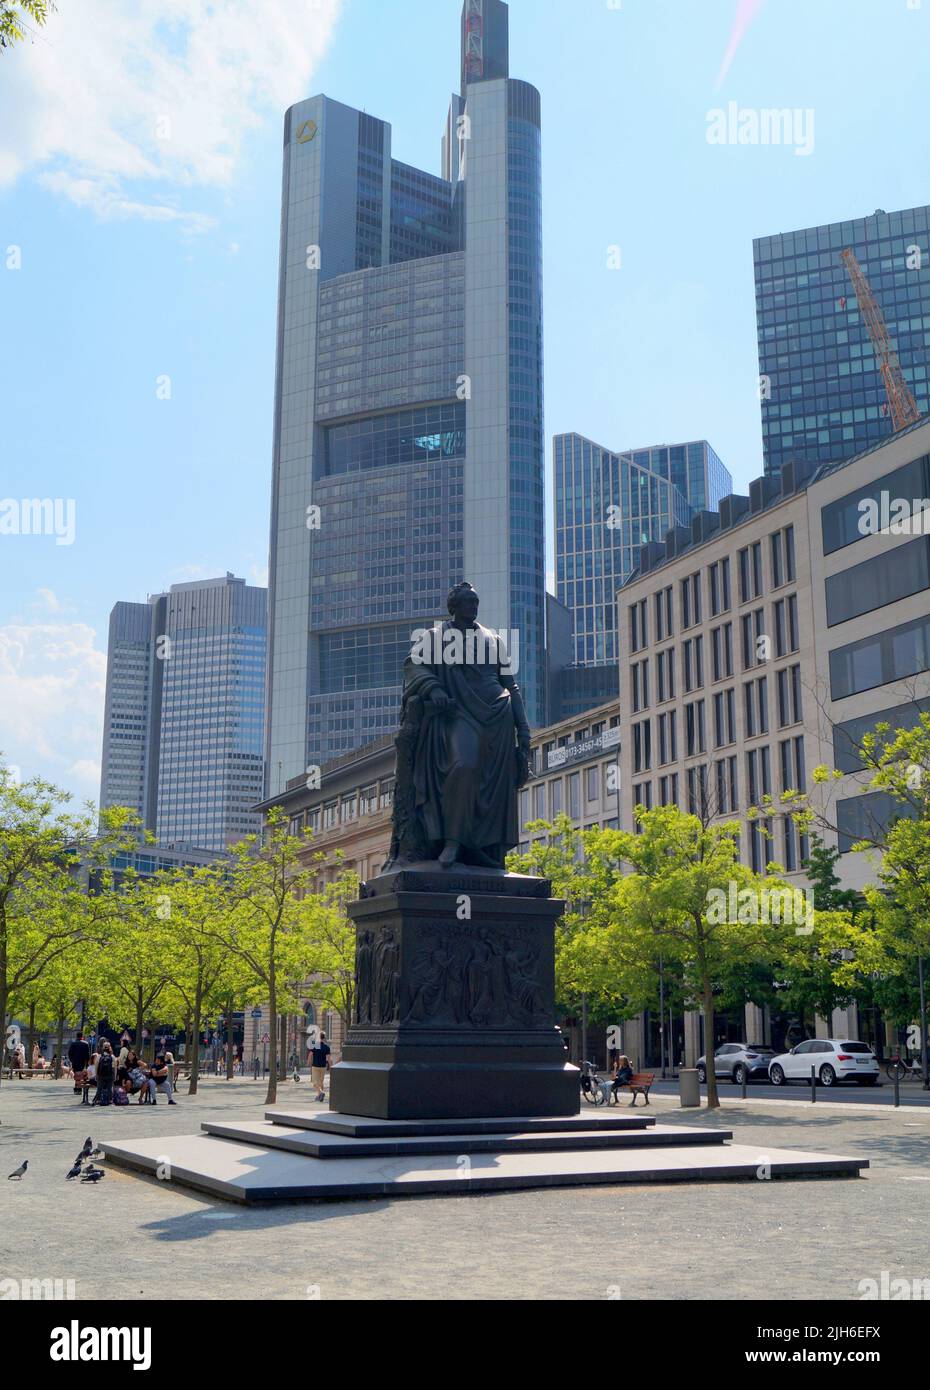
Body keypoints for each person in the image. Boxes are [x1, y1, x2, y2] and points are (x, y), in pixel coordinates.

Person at [384, 581, 531, 870]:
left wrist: (523, 730)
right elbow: (413, 665)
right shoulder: (434, 636)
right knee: (463, 766)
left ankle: (487, 849)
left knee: (496, 785)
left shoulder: (494, 639)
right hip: (459, 714)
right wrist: (433, 688)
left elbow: (511, 686)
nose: (473, 607)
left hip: (498, 716)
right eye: (467, 602)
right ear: (454, 607)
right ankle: (453, 841)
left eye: (475, 602)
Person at [309, 1032, 331, 1102]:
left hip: (315, 1066)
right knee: (321, 1082)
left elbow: (310, 1054)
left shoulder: (314, 1045)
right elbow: (328, 1058)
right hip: (323, 1067)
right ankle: (320, 1097)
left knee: (315, 1083)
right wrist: (331, 1066)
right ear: (324, 1038)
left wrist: (309, 1062)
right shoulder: (327, 1047)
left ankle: (321, 1093)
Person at [95, 1040, 116, 1106]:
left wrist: (96, 1075)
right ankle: (110, 1101)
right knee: (109, 1088)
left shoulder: (99, 1056)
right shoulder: (112, 1057)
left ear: (103, 1048)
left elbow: (96, 1066)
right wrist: (114, 1076)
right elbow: (114, 1068)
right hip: (110, 1075)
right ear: (110, 1048)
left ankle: (97, 1101)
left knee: (99, 1088)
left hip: (100, 1075)